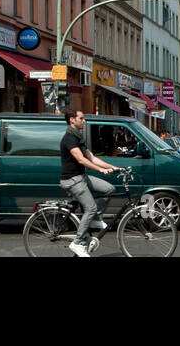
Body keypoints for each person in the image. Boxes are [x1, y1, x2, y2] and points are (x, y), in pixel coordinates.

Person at [59, 109, 122, 257]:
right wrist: (100, 170)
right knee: (91, 207)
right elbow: (81, 160)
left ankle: (94, 219)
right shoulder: (69, 139)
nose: (84, 121)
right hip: (72, 180)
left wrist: (113, 168)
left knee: (109, 189)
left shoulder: (78, 137)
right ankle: (78, 242)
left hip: (81, 177)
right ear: (72, 120)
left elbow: (92, 158)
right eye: (81, 118)